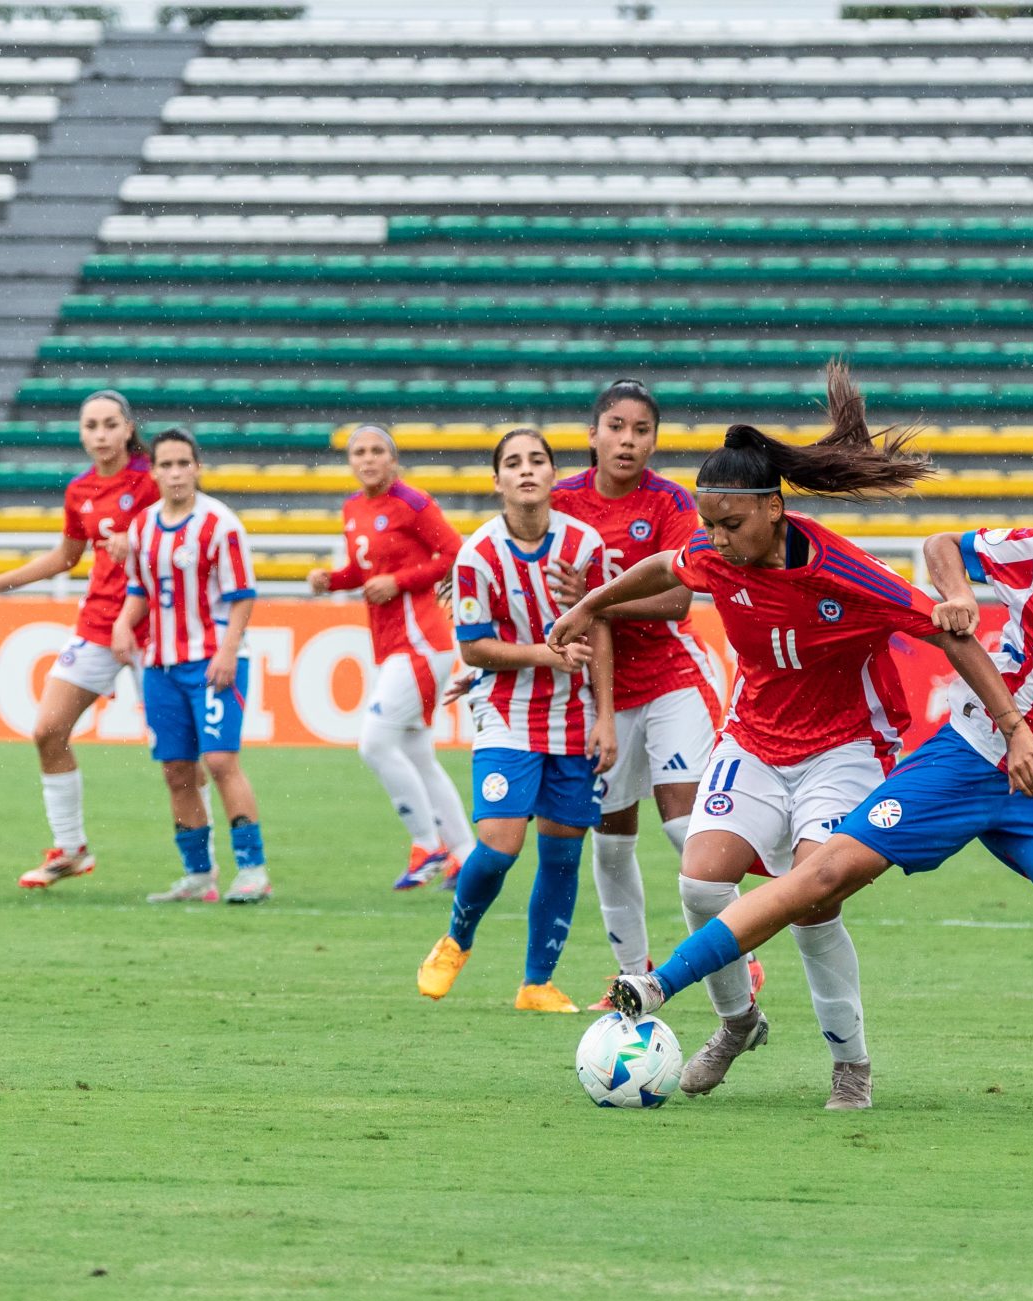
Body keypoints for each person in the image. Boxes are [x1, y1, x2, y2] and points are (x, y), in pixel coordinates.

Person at [607, 460, 1033, 1124]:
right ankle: (660, 983)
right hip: (967, 758)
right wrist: (958, 591)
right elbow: (942, 547)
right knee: (823, 875)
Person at [552, 362, 1033, 1110]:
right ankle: (736, 1022)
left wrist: (1012, 728)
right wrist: (590, 603)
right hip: (754, 736)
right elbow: (666, 564)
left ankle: (851, 1063)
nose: (716, 539)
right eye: (708, 523)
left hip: (845, 747)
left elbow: (954, 640)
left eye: (730, 523)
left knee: (814, 903)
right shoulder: (717, 555)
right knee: (700, 878)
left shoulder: (846, 573)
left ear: (773, 510)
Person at [416, 428, 617, 1014]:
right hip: (506, 713)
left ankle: (536, 983)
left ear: (554, 474)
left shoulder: (584, 545)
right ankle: (457, 938)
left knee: (561, 853)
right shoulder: (477, 554)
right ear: (497, 480)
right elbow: (474, 648)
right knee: (500, 845)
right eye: (513, 463)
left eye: (537, 460)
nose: (526, 470)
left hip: (576, 716)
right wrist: (546, 653)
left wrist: (606, 716)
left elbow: (602, 625)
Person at [547, 378, 725, 1003]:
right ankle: (629, 975)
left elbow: (678, 599)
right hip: (602, 694)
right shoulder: (560, 499)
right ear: (592, 434)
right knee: (613, 839)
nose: (628, 440)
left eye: (641, 429)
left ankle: (736, 951)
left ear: (654, 439)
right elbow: (516, 551)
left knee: (686, 829)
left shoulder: (673, 503)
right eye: (616, 427)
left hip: (672, 679)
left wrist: (595, 600)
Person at [0, 388, 160, 890]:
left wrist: (135, 543)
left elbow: (181, 537)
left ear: (129, 429)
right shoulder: (81, 491)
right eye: (91, 425)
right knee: (48, 730)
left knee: (179, 756)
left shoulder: (154, 481)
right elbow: (67, 557)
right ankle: (70, 850)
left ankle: (203, 865)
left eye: (110, 424)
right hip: (98, 622)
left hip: (156, 625)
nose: (100, 434)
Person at [306, 423, 474, 890]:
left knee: (375, 742)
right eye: (359, 451)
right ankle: (465, 855)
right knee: (419, 755)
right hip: (391, 642)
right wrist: (333, 580)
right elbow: (364, 571)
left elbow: (455, 553)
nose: (367, 459)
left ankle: (428, 844)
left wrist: (400, 582)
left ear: (393, 459)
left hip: (422, 640)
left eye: (377, 450)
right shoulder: (354, 508)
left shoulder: (413, 503)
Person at [110, 427, 273, 905]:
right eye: (167, 464)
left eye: (184, 463)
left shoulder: (221, 524)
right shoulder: (142, 527)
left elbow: (243, 596)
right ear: (154, 470)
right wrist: (124, 624)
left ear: (197, 468)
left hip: (213, 661)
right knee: (177, 770)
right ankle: (198, 875)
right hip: (159, 663)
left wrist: (226, 650)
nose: (176, 473)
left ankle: (253, 869)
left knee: (220, 760)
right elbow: (140, 590)